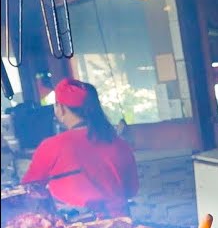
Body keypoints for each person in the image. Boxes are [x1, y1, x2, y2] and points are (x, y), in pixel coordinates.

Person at [21, 79, 138, 217]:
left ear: (61, 108)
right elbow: (132, 189)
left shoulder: (52, 146)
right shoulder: (118, 142)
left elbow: (30, 189)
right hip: (122, 224)